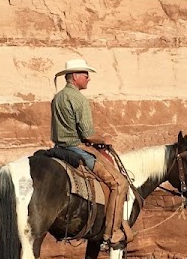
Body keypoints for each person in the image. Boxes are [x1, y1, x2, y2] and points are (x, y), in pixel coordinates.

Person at [50, 58, 133, 248]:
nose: (88, 78)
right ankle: (112, 234)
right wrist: (104, 140)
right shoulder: (78, 99)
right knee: (120, 183)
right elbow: (87, 134)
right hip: (76, 148)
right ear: (75, 76)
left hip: (58, 148)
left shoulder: (58, 98)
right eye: (85, 74)